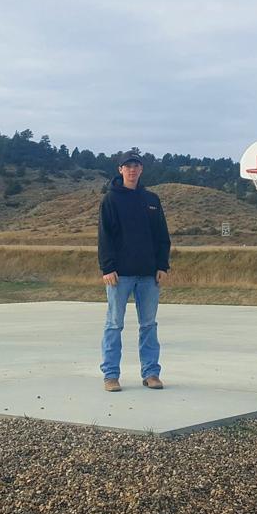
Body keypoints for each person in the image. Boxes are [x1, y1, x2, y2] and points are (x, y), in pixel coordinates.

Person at [97, 153, 171, 391]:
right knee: (114, 324)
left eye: (136, 166)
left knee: (148, 324)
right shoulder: (110, 200)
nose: (132, 170)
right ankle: (111, 375)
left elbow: (161, 235)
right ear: (120, 170)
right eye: (127, 166)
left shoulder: (151, 199)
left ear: (141, 170)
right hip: (120, 275)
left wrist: (162, 265)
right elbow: (104, 236)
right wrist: (107, 267)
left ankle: (151, 373)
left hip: (148, 274)